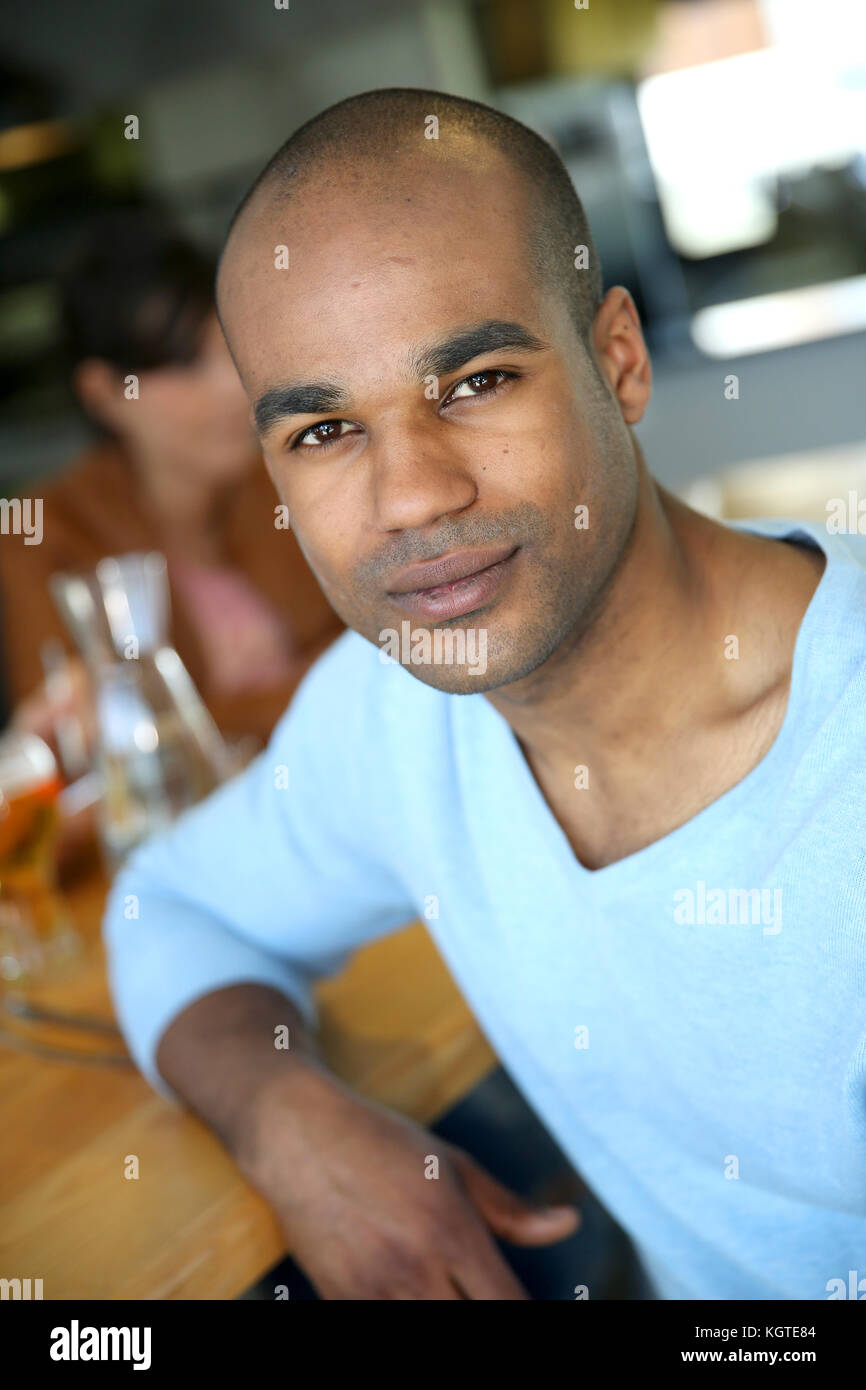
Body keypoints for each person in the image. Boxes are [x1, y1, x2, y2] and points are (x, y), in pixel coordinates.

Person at [103, 90, 866, 1301]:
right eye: (323, 431)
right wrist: (283, 1115)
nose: (408, 497)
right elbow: (171, 905)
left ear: (615, 360)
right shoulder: (387, 717)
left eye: (472, 382)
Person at [0, 210, 343, 757]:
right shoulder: (42, 531)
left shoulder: (289, 473)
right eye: (187, 364)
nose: (235, 386)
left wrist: (198, 717)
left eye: (230, 349)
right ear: (105, 392)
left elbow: (386, 646)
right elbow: (80, 740)